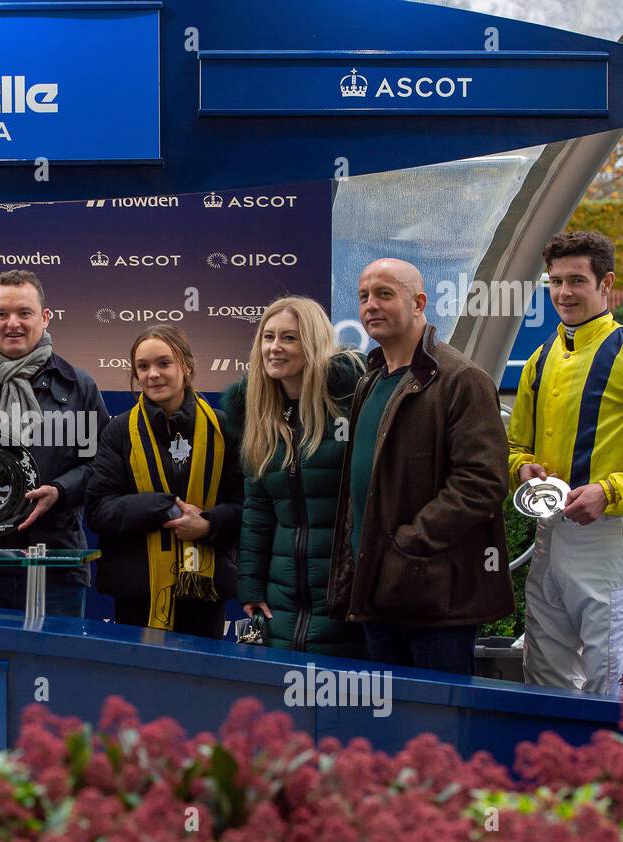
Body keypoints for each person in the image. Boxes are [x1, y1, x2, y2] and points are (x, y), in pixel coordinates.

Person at [508, 231, 623, 695]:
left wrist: (610, 492)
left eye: (576, 281)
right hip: (549, 539)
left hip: (610, 543)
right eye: (555, 282)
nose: (564, 293)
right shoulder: (540, 357)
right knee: (543, 683)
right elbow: (516, 448)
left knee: (614, 687)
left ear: (606, 283)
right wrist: (521, 469)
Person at [327, 258, 514, 675]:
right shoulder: (370, 380)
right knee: (393, 731)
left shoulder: (461, 379)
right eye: (363, 296)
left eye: (384, 294)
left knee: (437, 730)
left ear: (419, 303)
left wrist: (407, 545)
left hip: (435, 601)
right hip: (377, 592)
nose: (370, 305)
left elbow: (482, 481)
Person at [0, 270, 109, 616]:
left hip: (57, 561)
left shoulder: (76, 385)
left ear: (44, 318)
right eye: (1, 314)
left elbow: (102, 467)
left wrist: (59, 491)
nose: (12, 323)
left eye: (24, 313)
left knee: (56, 665)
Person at [221, 296, 365, 657]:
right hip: (282, 598)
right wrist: (251, 586)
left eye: (289, 338)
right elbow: (257, 511)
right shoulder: (259, 416)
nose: (274, 348)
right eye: (268, 337)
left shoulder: (352, 405)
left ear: (313, 344)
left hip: (346, 593)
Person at [86, 327, 242, 637]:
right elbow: (99, 510)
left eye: (164, 363)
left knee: (200, 681)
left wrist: (208, 524)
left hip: (204, 592)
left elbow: (248, 507)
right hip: (137, 595)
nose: (153, 374)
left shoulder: (225, 428)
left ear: (186, 366)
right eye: (143, 367)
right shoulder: (118, 431)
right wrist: (163, 507)